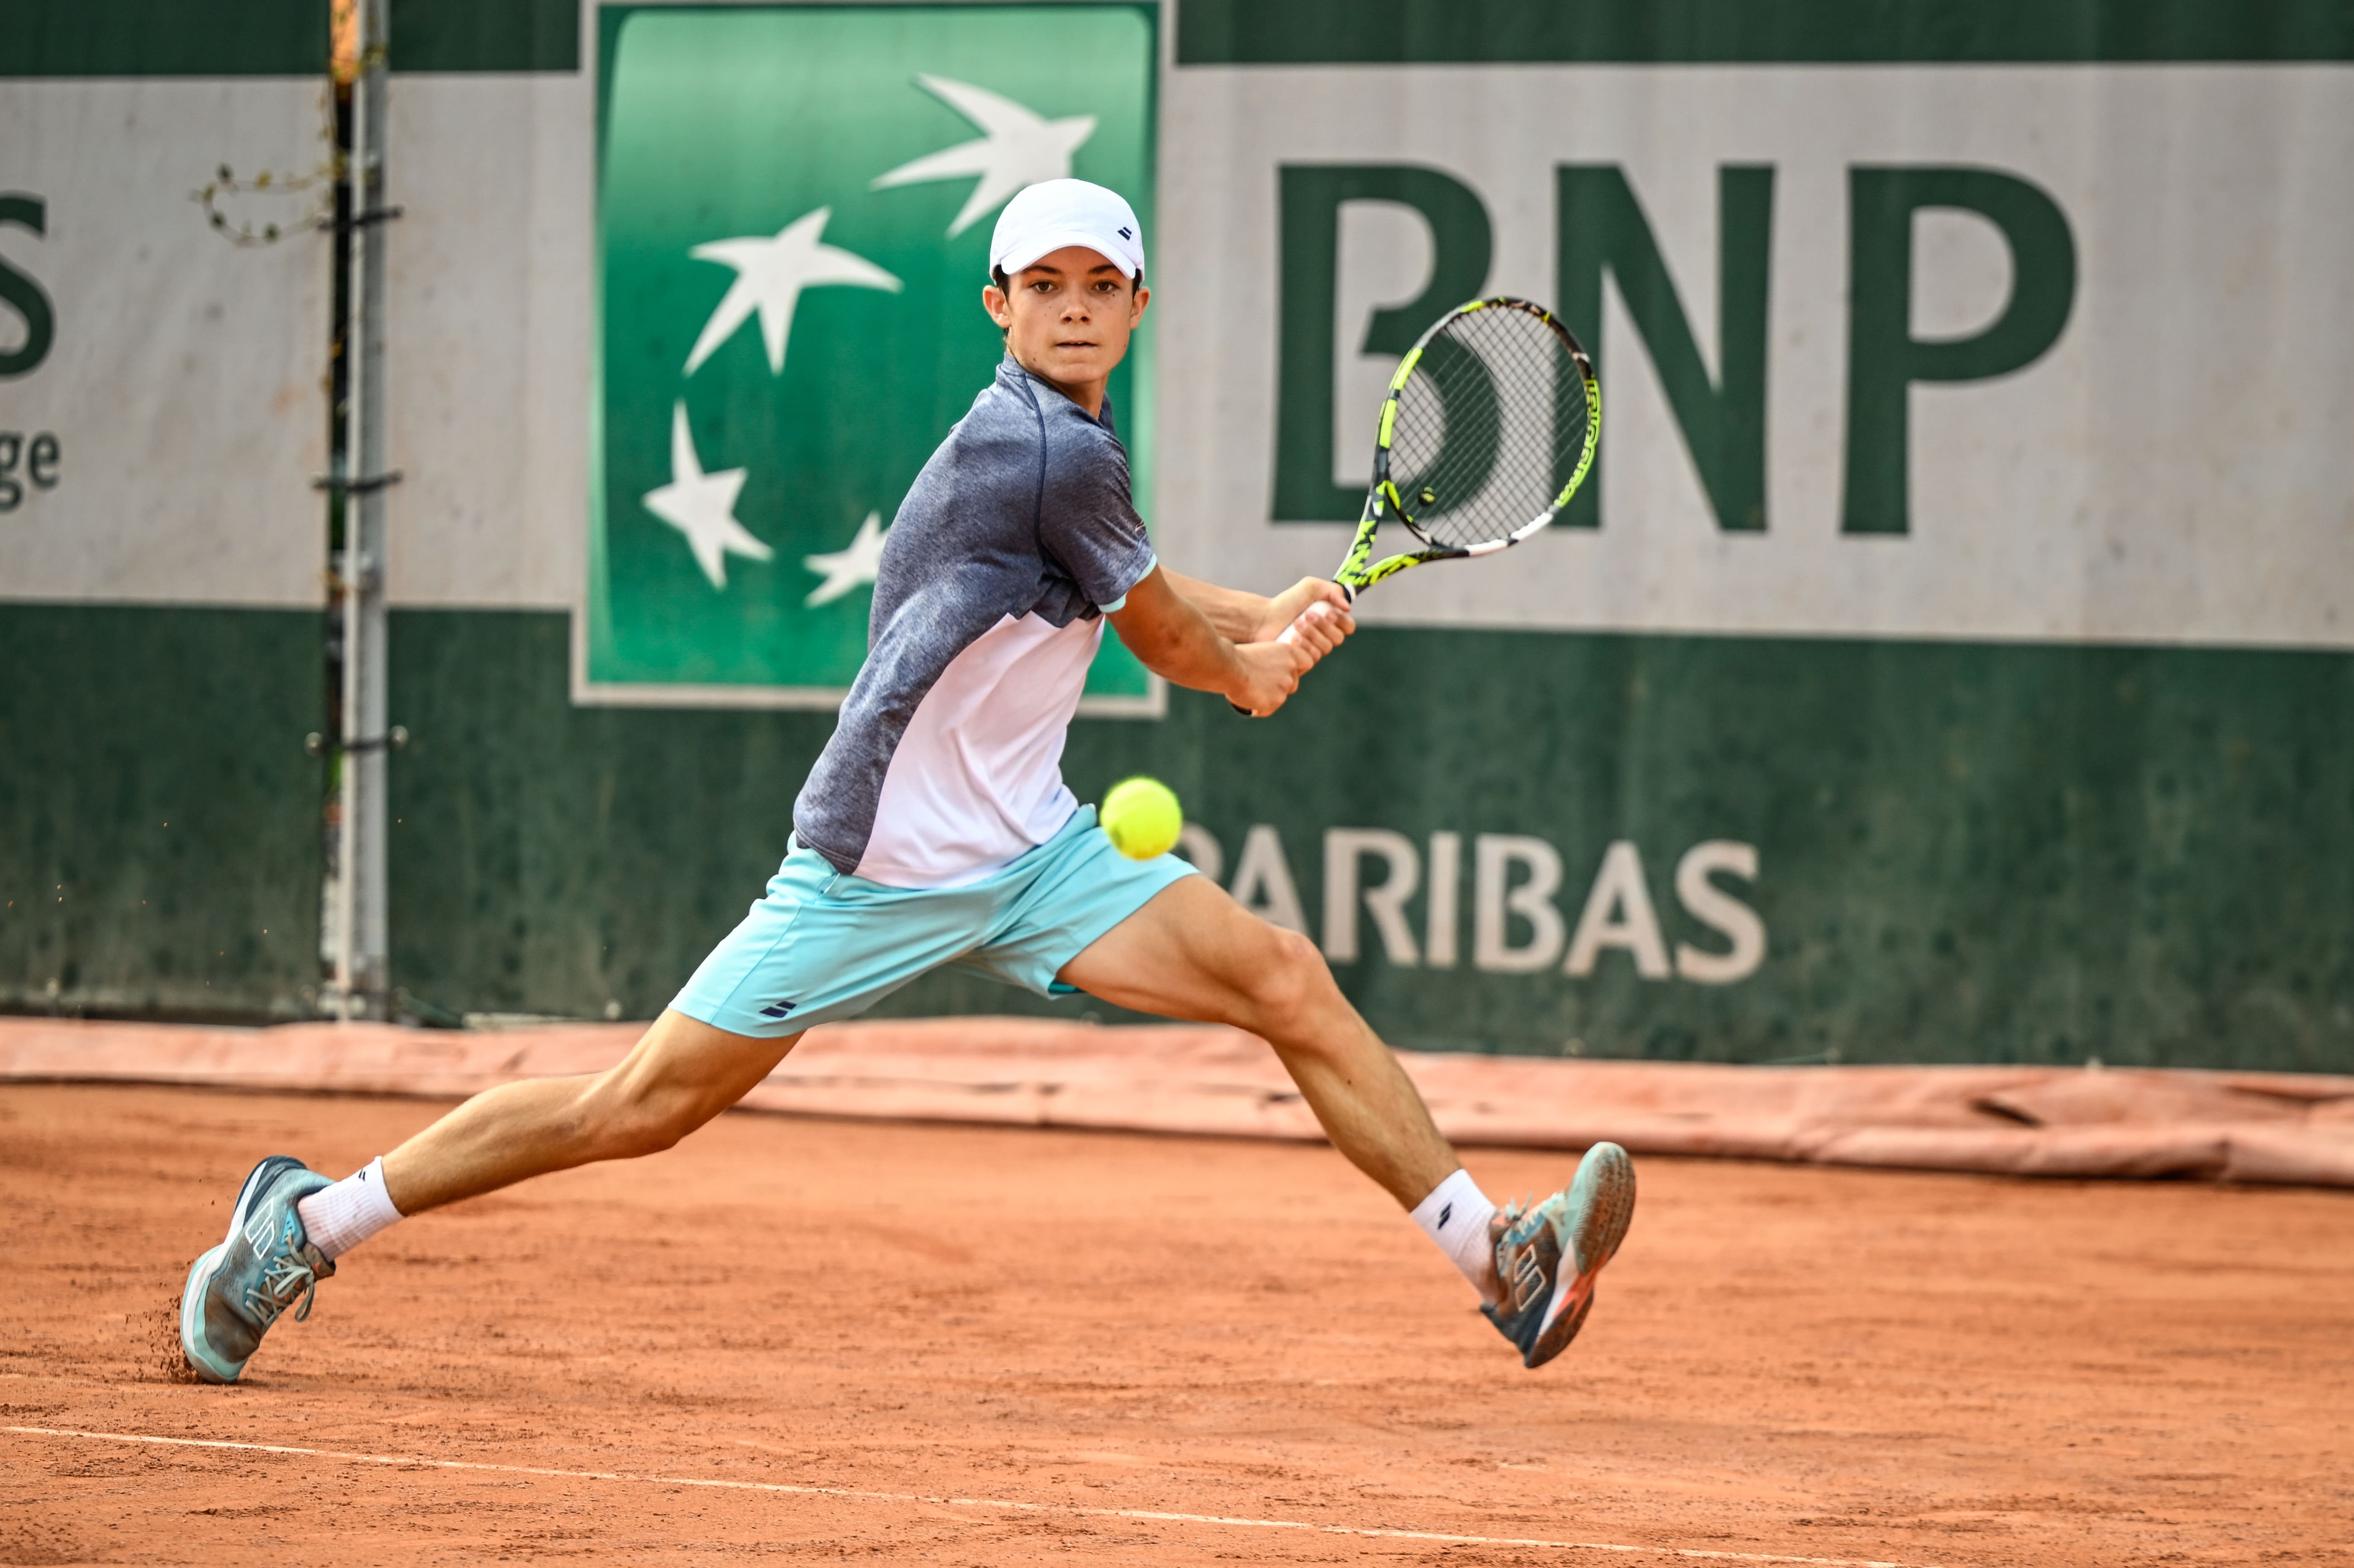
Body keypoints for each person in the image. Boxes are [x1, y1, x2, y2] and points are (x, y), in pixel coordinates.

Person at [181, 179, 1633, 1385]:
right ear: (998, 307)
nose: (1071, 304)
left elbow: (1128, 578)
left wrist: (1264, 609)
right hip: (875, 868)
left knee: (1282, 977)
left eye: (1097, 284)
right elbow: (1160, 635)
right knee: (634, 1107)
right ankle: (304, 1221)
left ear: (1134, 306)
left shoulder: (1074, 456)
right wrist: (1246, 665)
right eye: (1041, 283)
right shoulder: (1041, 441)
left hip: (1033, 855)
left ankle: (1497, 1260)